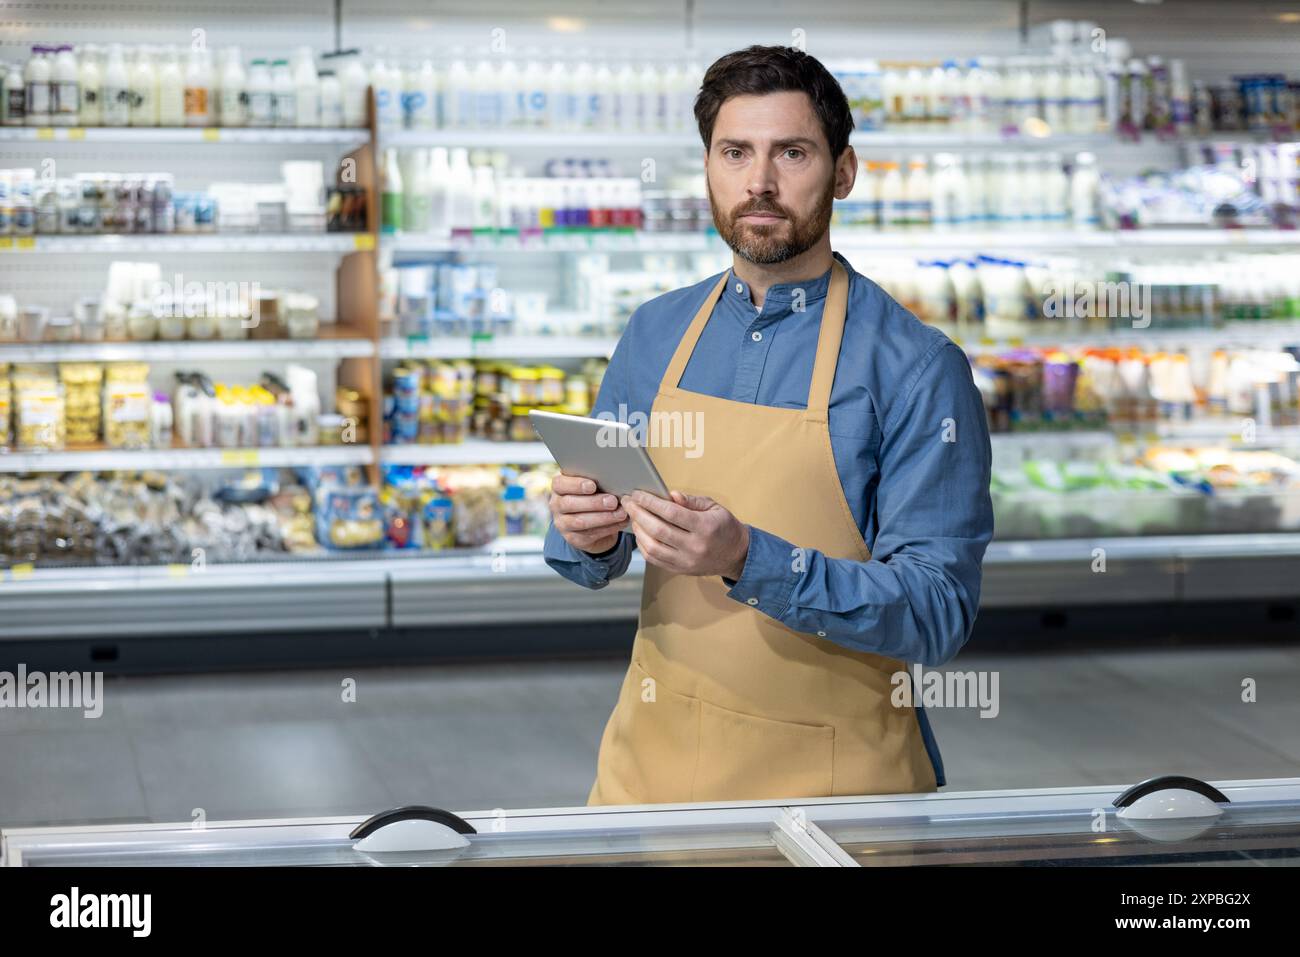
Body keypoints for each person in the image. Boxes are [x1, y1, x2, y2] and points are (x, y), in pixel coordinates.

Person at [544, 44, 994, 806]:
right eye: (735, 152)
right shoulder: (655, 332)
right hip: (650, 773)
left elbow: (938, 610)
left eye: (792, 152)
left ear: (843, 172)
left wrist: (750, 556)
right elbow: (594, 550)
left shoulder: (918, 367)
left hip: (840, 793)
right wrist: (584, 530)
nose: (759, 182)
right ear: (709, 167)